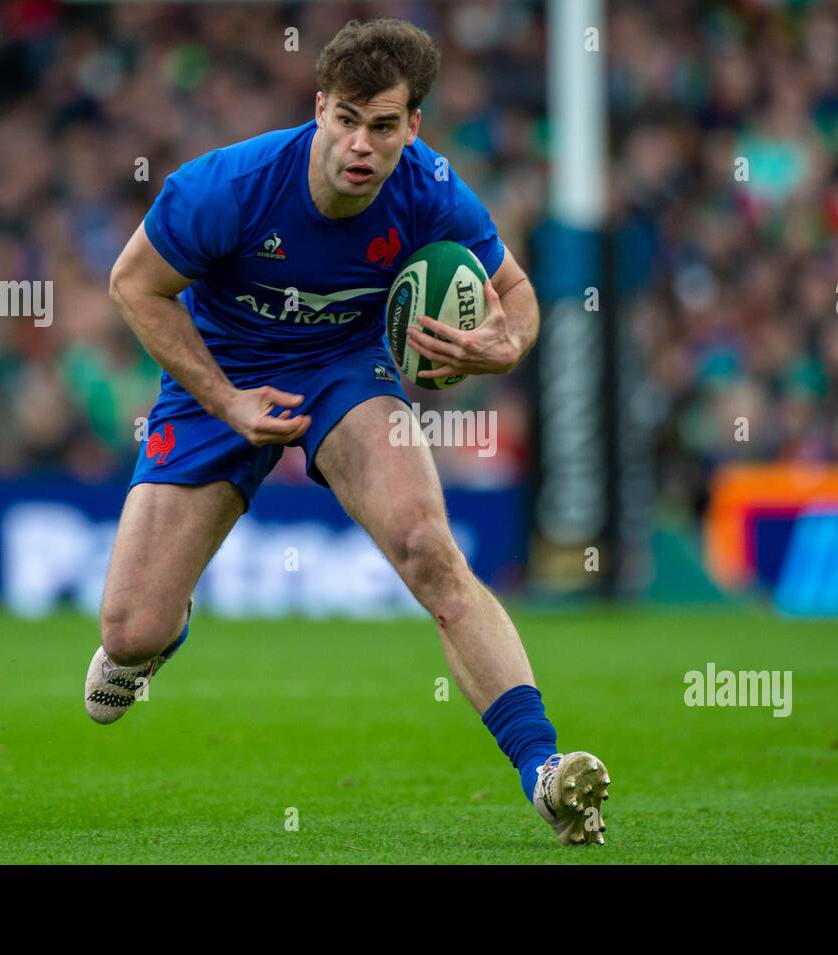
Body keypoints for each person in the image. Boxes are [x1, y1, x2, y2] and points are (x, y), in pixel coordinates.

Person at [84, 17, 609, 846]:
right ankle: (164, 628)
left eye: (385, 126)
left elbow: (517, 293)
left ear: (413, 127)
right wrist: (226, 401)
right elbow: (132, 285)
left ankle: (544, 770)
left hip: (346, 370)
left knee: (429, 550)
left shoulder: (431, 190)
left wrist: (505, 344)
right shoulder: (230, 185)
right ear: (320, 107)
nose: (362, 144)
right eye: (348, 120)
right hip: (224, 369)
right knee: (130, 629)